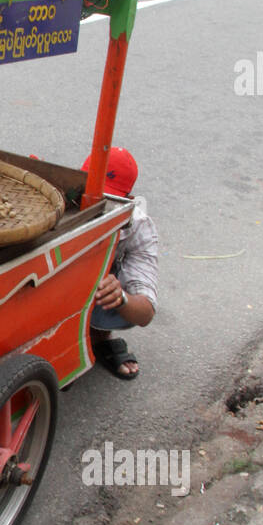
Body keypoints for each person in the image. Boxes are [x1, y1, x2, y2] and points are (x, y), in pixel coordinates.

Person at [81, 147, 158, 381]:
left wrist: (120, 297)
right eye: (92, 192)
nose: (98, 204)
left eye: (109, 199)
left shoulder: (139, 227)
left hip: (94, 287)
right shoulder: (60, 198)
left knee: (112, 284)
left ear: (129, 202)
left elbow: (145, 312)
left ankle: (98, 338)